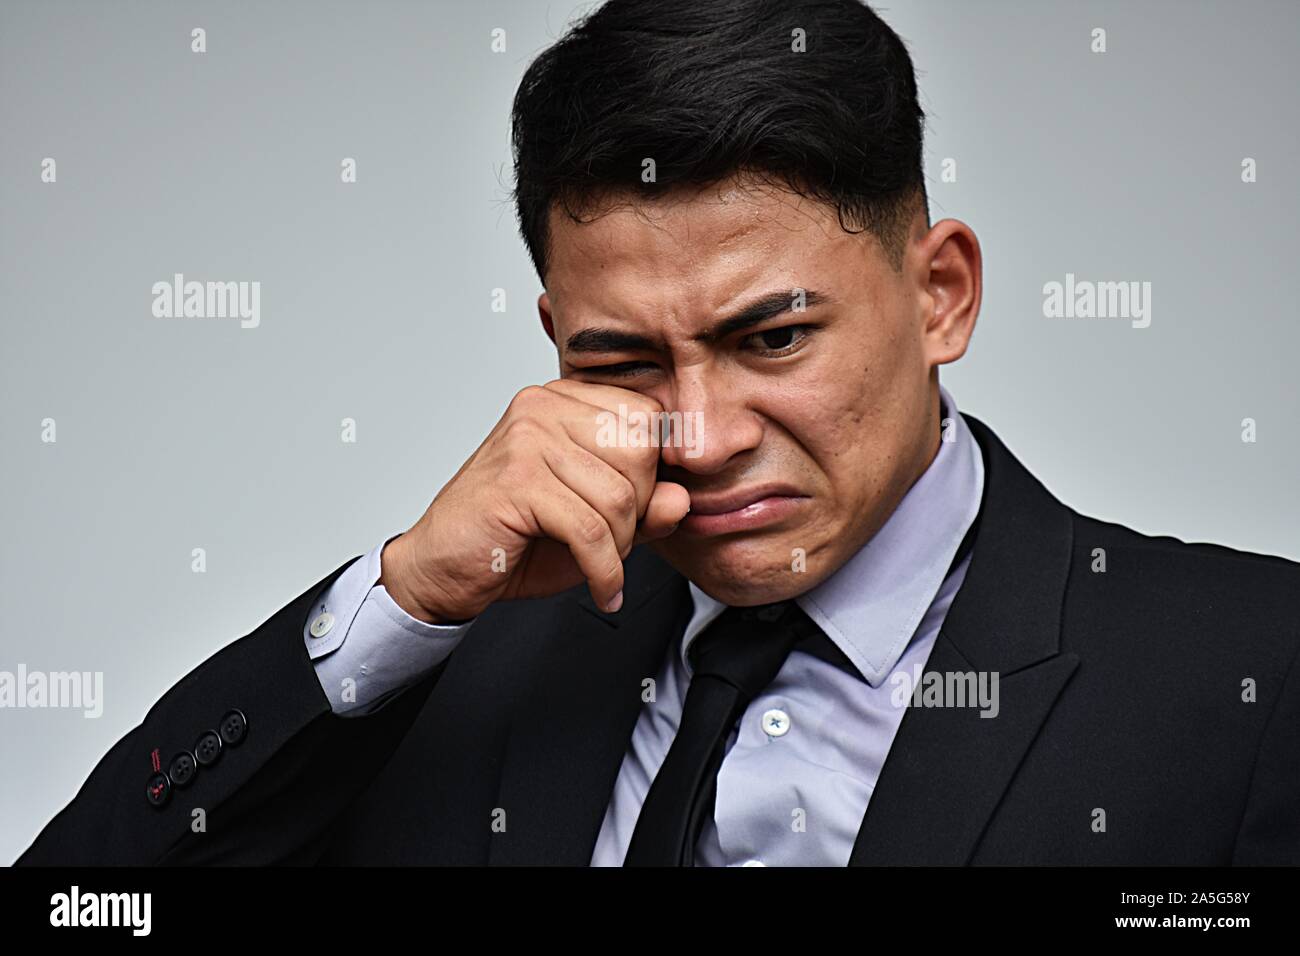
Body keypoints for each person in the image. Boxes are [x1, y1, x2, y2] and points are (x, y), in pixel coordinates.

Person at [17, 0, 1299, 866]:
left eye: (773, 337)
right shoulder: (450, 668)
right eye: (622, 361)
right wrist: (403, 601)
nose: (700, 432)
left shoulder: (1252, 675)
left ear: (940, 293)